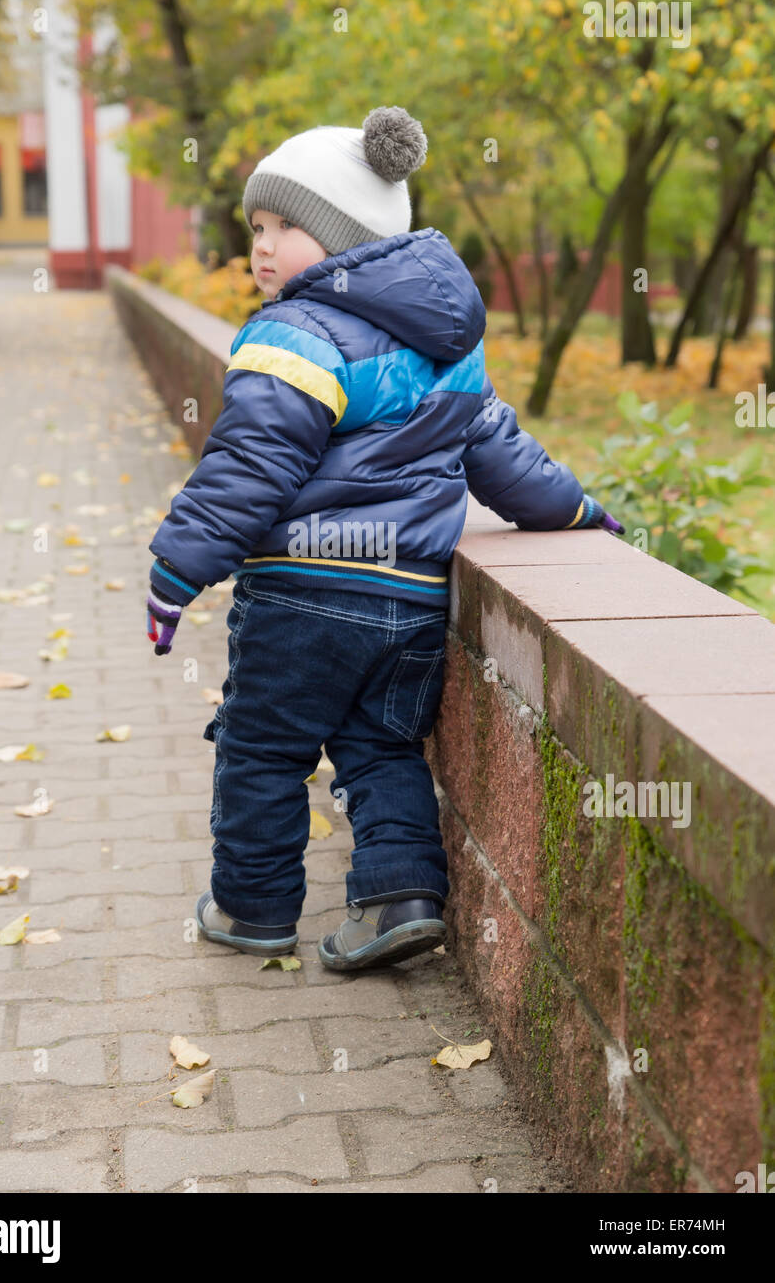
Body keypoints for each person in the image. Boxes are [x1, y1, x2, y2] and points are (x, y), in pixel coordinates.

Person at [146, 106, 624, 972]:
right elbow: (502, 456)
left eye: (286, 226)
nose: (262, 245)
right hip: (408, 601)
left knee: (263, 747)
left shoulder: (296, 333)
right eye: (256, 225)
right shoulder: (449, 351)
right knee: (380, 746)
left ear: (345, 237)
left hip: (303, 589)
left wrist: (179, 567)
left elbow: (250, 464)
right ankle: (399, 899)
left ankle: (251, 908)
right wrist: (576, 510)